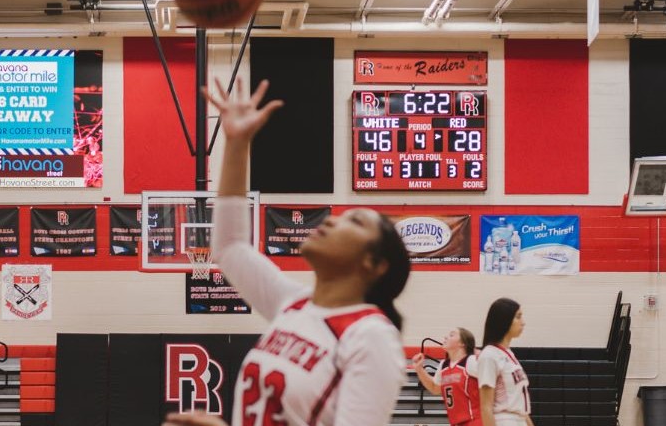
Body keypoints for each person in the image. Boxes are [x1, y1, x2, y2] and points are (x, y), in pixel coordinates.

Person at [164, 79, 413, 426]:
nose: (333, 220)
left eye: (354, 222)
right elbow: (230, 246)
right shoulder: (294, 303)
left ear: (374, 263)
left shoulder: (371, 337)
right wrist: (236, 144)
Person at [472, 299, 533, 426]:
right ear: (504, 320)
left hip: (519, 419)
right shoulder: (489, 355)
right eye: (518, 317)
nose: (523, 322)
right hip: (504, 420)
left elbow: (520, 406)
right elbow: (486, 407)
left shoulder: (508, 354)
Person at [411, 328, 479, 426]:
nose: (446, 337)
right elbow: (434, 388)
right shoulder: (444, 365)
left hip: (475, 421)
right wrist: (419, 369)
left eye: (452, 335)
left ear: (462, 343)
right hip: (456, 422)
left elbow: (493, 382)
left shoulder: (471, 361)